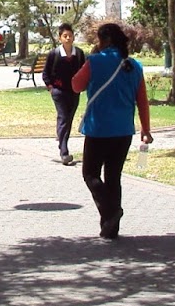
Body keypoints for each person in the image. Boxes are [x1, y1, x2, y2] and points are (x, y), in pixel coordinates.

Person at [70, 22, 153, 240]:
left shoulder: (95, 61)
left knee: (90, 174)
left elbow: (76, 85)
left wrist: (93, 59)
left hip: (98, 129)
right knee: (113, 177)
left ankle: (110, 211)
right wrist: (145, 128)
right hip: (124, 130)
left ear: (104, 40)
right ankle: (110, 227)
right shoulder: (134, 66)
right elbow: (142, 101)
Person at [42, 23, 87, 166]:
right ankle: (64, 150)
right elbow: (46, 73)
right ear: (60, 38)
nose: (68, 39)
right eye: (65, 36)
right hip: (59, 91)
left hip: (74, 91)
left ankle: (62, 141)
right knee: (63, 117)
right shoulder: (54, 54)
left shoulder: (79, 54)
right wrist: (51, 87)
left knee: (69, 119)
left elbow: (83, 71)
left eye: (70, 36)